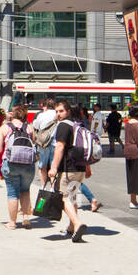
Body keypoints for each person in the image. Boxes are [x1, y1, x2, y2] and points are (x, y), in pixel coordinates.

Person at [48, 100, 87, 242]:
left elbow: (59, 147)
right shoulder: (78, 125)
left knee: (64, 197)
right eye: (57, 111)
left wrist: (53, 168)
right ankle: (71, 226)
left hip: (67, 168)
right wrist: (88, 167)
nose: (58, 114)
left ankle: (77, 223)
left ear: (68, 111)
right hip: (80, 168)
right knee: (73, 197)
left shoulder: (63, 126)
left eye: (61, 111)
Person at [0, 104, 38, 229]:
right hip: (28, 165)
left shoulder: (5, 128)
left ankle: (12, 222)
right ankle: (25, 217)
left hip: (10, 164)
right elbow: (34, 145)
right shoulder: (29, 128)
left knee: (12, 193)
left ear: (12, 114)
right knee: (25, 190)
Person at [32, 97, 59, 186]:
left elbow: (35, 125)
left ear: (45, 106)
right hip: (55, 143)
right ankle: (53, 185)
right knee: (53, 166)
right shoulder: (57, 114)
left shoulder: (41, 115)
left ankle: (43, 186)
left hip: (43, 143)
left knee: (42, 166)